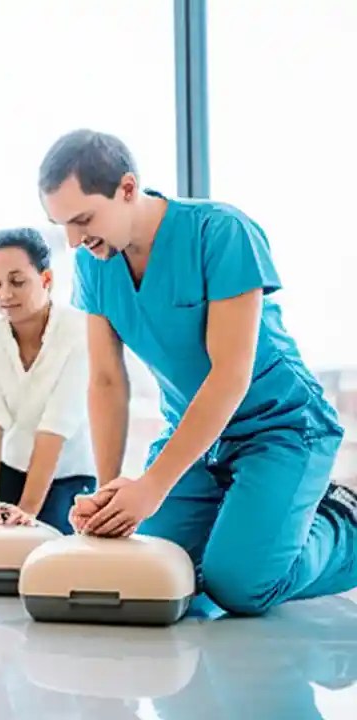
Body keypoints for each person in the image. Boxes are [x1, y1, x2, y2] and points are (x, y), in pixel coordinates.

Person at [39, 128, 357, 615]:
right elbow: (106, 381)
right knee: (163, 569)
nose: (75, 240)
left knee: (238, 586)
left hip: (281, 427)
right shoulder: (94, 262)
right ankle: (260, 523)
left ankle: (341, 521)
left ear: (127, 189)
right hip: (196, 437)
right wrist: (110, 492)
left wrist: (153, 486)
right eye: (62, 225)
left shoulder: (222, 232)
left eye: (83, 219)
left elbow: (231, 374)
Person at [0, 227, 96, 534]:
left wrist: (26, 513)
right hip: (6, 463)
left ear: (46, 280)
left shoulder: (79, 331)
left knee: (44, 547)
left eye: (17, 282)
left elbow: (55, 427)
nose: (5, 294)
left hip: (65, 473)